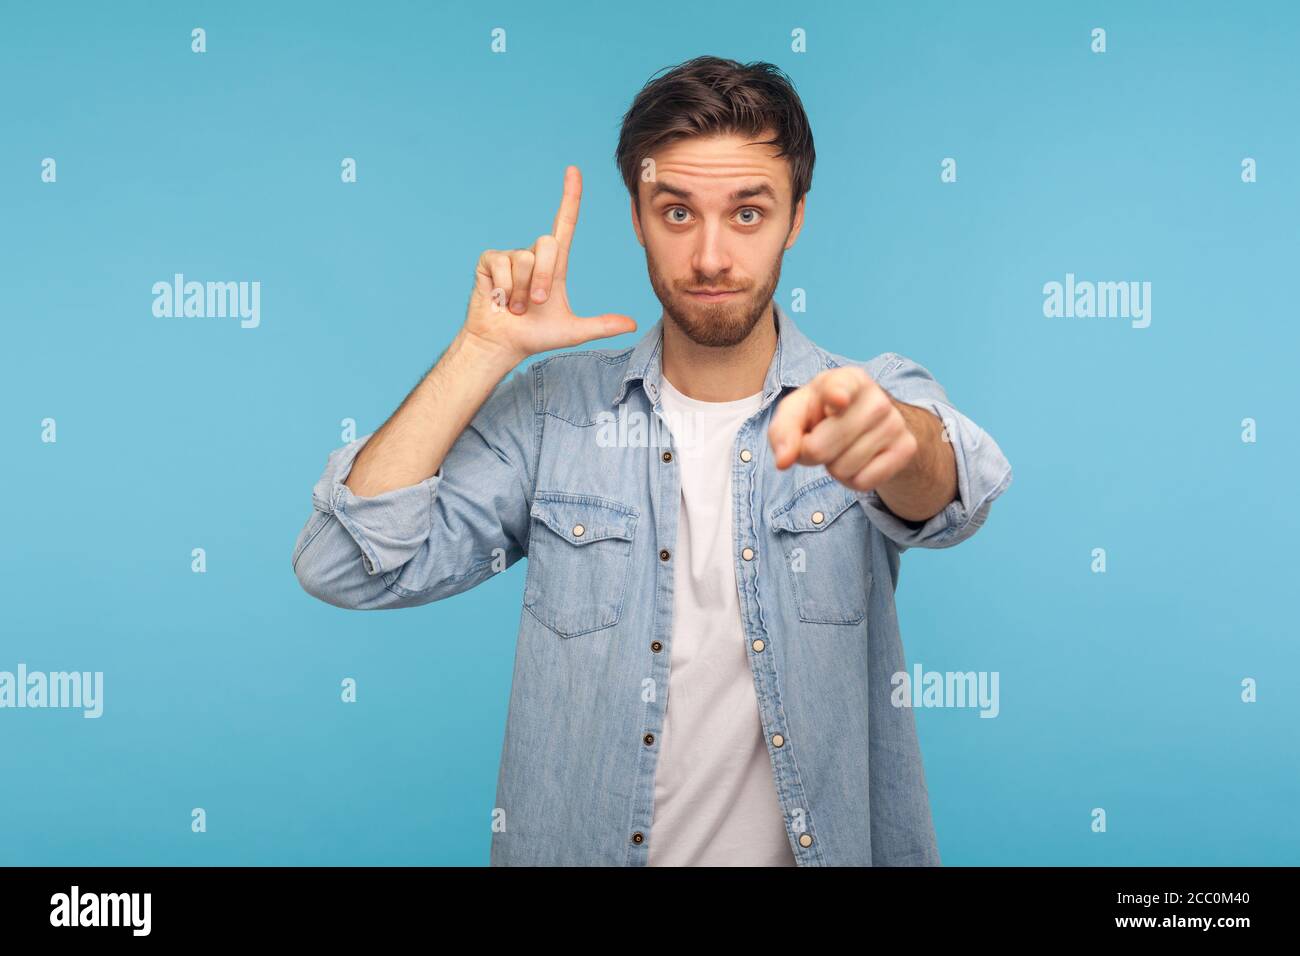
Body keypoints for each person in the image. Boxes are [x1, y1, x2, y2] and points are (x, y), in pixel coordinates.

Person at [292, 55, 1013, 866]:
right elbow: (341, 565)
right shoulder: (552, 415)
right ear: (636, 216)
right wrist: (482, 350)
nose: (710, 257)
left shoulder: (866, 399)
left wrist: (901, 443)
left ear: (796, 218)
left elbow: (957, 489)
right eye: (677, 212)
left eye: (748, 213)